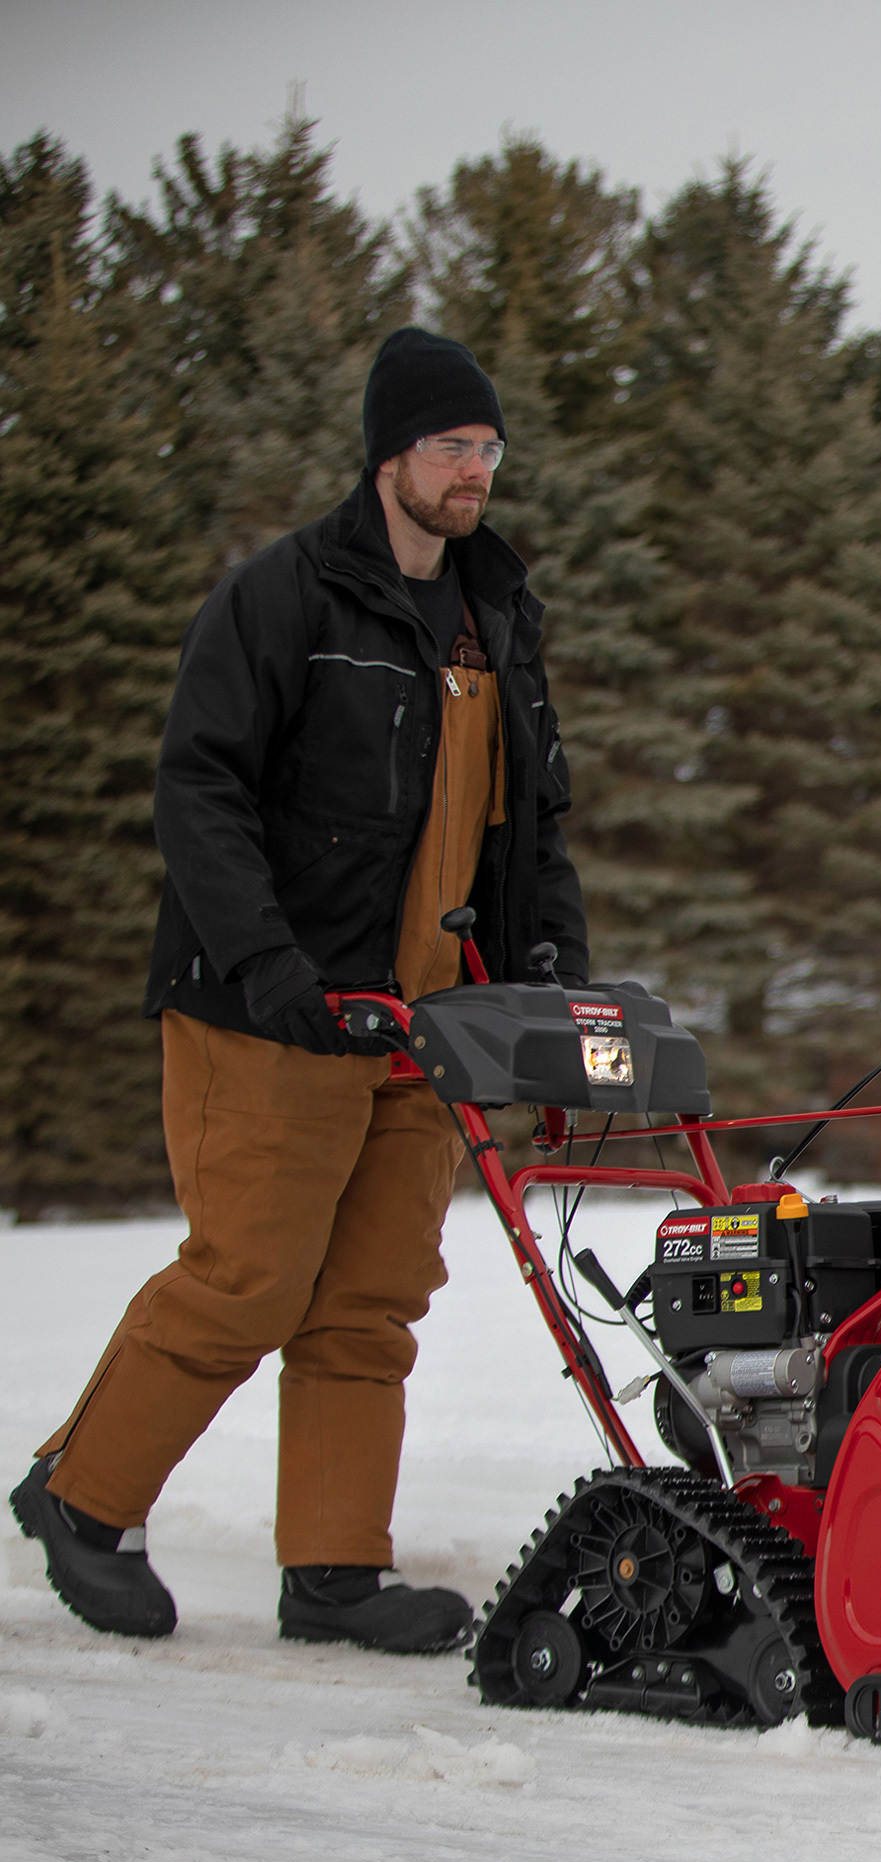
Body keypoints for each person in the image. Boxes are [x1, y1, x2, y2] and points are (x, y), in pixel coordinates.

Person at [10, 328, 588, 1653]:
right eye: (453, 446)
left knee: (371, 1297)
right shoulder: (287, 596)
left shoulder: (497, 617)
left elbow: (531, 828)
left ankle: (333, 1569)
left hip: (422, 1021)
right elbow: (197, 786)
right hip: (269, 1008)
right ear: (390, 454)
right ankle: (81, 1497)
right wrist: (268, 966)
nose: (475, 472)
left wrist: (553, 989)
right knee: (251, 1277)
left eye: (489, 450)